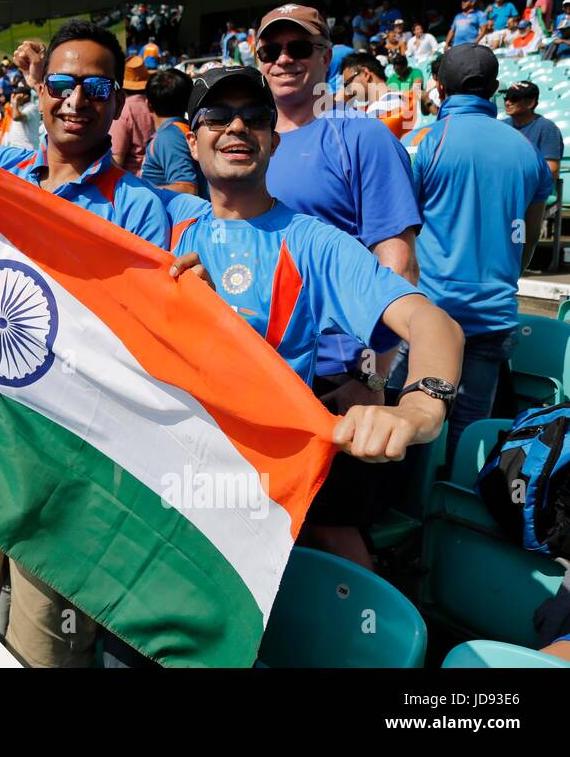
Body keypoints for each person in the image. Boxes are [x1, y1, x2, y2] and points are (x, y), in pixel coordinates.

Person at [0, 19, 171, 667]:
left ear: (118, 102)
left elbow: (144, 334)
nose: (76, 99)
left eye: (95, 86)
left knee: (46, 647)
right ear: (39, 92)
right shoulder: (4, 172)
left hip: (73, 466)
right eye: (62, 85)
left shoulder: (139, 208)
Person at [164, 67, 462, 571]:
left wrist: (418, 406)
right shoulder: (167, 224)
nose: (237, 128)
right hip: (172, 484)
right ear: (192, 142)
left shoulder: (312, 243)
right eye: (218, 117)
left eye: (254, 118)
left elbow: (434, 324)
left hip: (264, 494)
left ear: (273, 142)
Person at [256, 3, 423, 568]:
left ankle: (370, 646)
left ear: (326, 56)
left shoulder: (361, 137)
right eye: (271, 49)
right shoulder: (244, 137)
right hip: (259, 374)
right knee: (271, 528)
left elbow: (397, 268)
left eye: (299, 48)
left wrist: (370, 374)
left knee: (334, 530)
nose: (284, 59)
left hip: (335, 378)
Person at [391, 44, 551, 475]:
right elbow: (530, 235)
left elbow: (399, 232)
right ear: (495, 90)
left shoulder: (425, 142)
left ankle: (409, 527)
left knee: (408, 428)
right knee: (469, 438)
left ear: (439, 90)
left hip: (428, 317)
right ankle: (454, 522)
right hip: (494, 315)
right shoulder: (526, 150)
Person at [138, 68, 204, 196]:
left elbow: (188, 188)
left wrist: (140, 194)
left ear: (148, 105)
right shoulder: (180, 131)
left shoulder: (169, 137)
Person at [501, 81, 562, 180]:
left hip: (532, 190)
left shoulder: (547, 128)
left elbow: (552, 169)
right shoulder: (501, 126)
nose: (508, 102)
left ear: (530, 103)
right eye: (506, 98)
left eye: (514, 98)